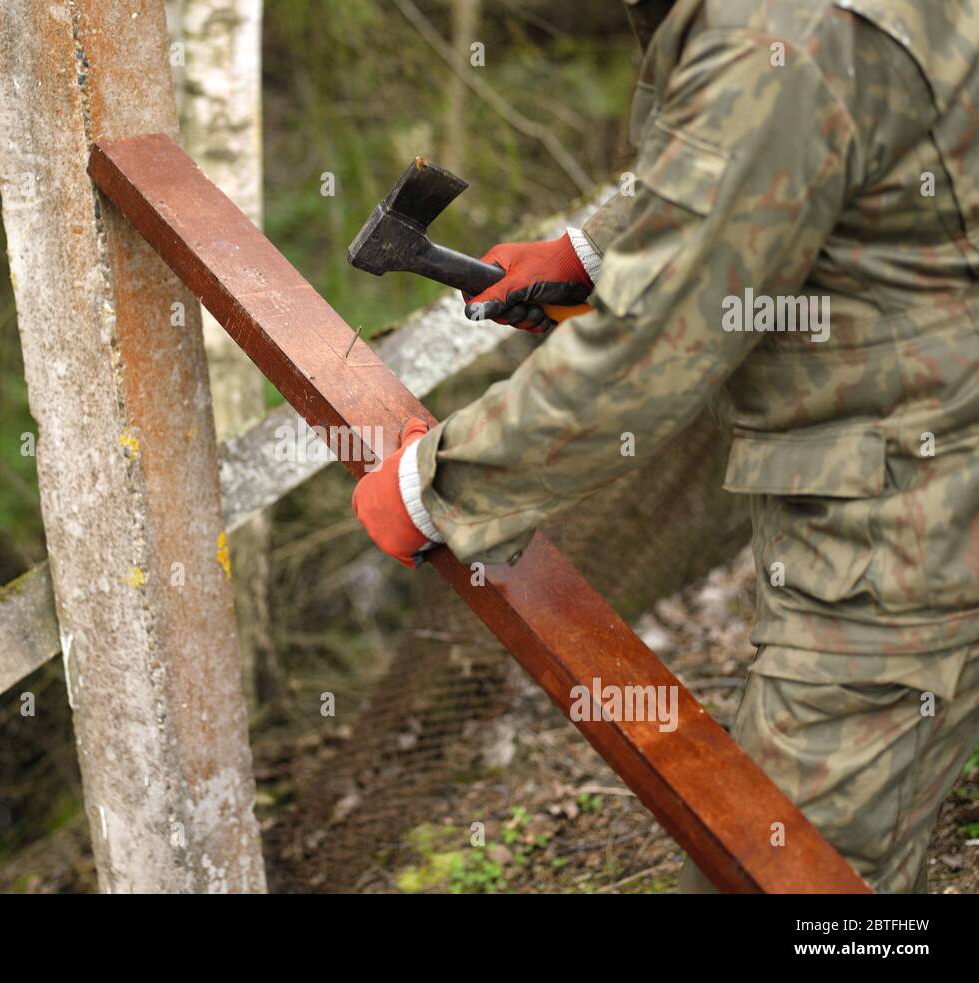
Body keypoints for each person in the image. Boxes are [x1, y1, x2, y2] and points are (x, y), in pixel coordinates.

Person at [352, 0, 979, 893]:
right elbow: (764, 150)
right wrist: (593, 250)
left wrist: (435, 486)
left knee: (785, 877)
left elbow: (650, 348)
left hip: (916, 526)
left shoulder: (780, 36)